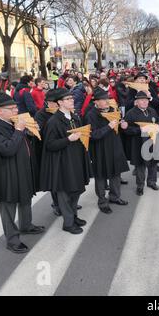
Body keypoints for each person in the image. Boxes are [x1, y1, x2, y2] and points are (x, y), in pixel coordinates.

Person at [0, 93, 45, 253]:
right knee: (9, 206)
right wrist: (19, 130)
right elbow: (7, 149)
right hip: (6, 175)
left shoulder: (11, 123)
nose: (16, 110)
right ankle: (12, 240)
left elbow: (22, 142)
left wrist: (29, 132)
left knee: (25, 198)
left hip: (21, 169)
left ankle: (26, 225)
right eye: (11, 108)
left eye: (16, 107)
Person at [40, 89, 92, 235]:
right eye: (68, 99)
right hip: (62, 163)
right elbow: (49, 145)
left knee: (76, 190)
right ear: (60, 103)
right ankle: (68, 223)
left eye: (71, 98)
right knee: (64, 194)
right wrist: (68, 139)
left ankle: (74, 216)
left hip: (76, 159)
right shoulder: (53, 121)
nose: (72, 100)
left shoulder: (75, 117)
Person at [85, 88, 129, 214]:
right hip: (100, 150)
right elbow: (92, 135)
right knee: (100, 177)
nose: (107, 101)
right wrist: (108, 127)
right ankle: (102, 202)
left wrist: (122, 126)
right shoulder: (90, 115)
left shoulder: (113, 110)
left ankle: (115, 197)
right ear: (96, 102)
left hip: (114, 147)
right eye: (104, 99)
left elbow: (118, 128)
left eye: (107, 99)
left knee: (116, 174)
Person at [123, 91, 159, 196]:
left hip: (153, 142)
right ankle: (140, 186)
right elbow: (126, 130)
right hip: (139, 143)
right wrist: (139, 130)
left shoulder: (152, 111)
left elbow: (158, 121)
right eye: (142, 100)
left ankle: (152, 182)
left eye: (146, 100)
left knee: (153, 163)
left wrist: (158, 125)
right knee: (140, 166)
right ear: (136, 102)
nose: (145, 102)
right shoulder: (130, 113)